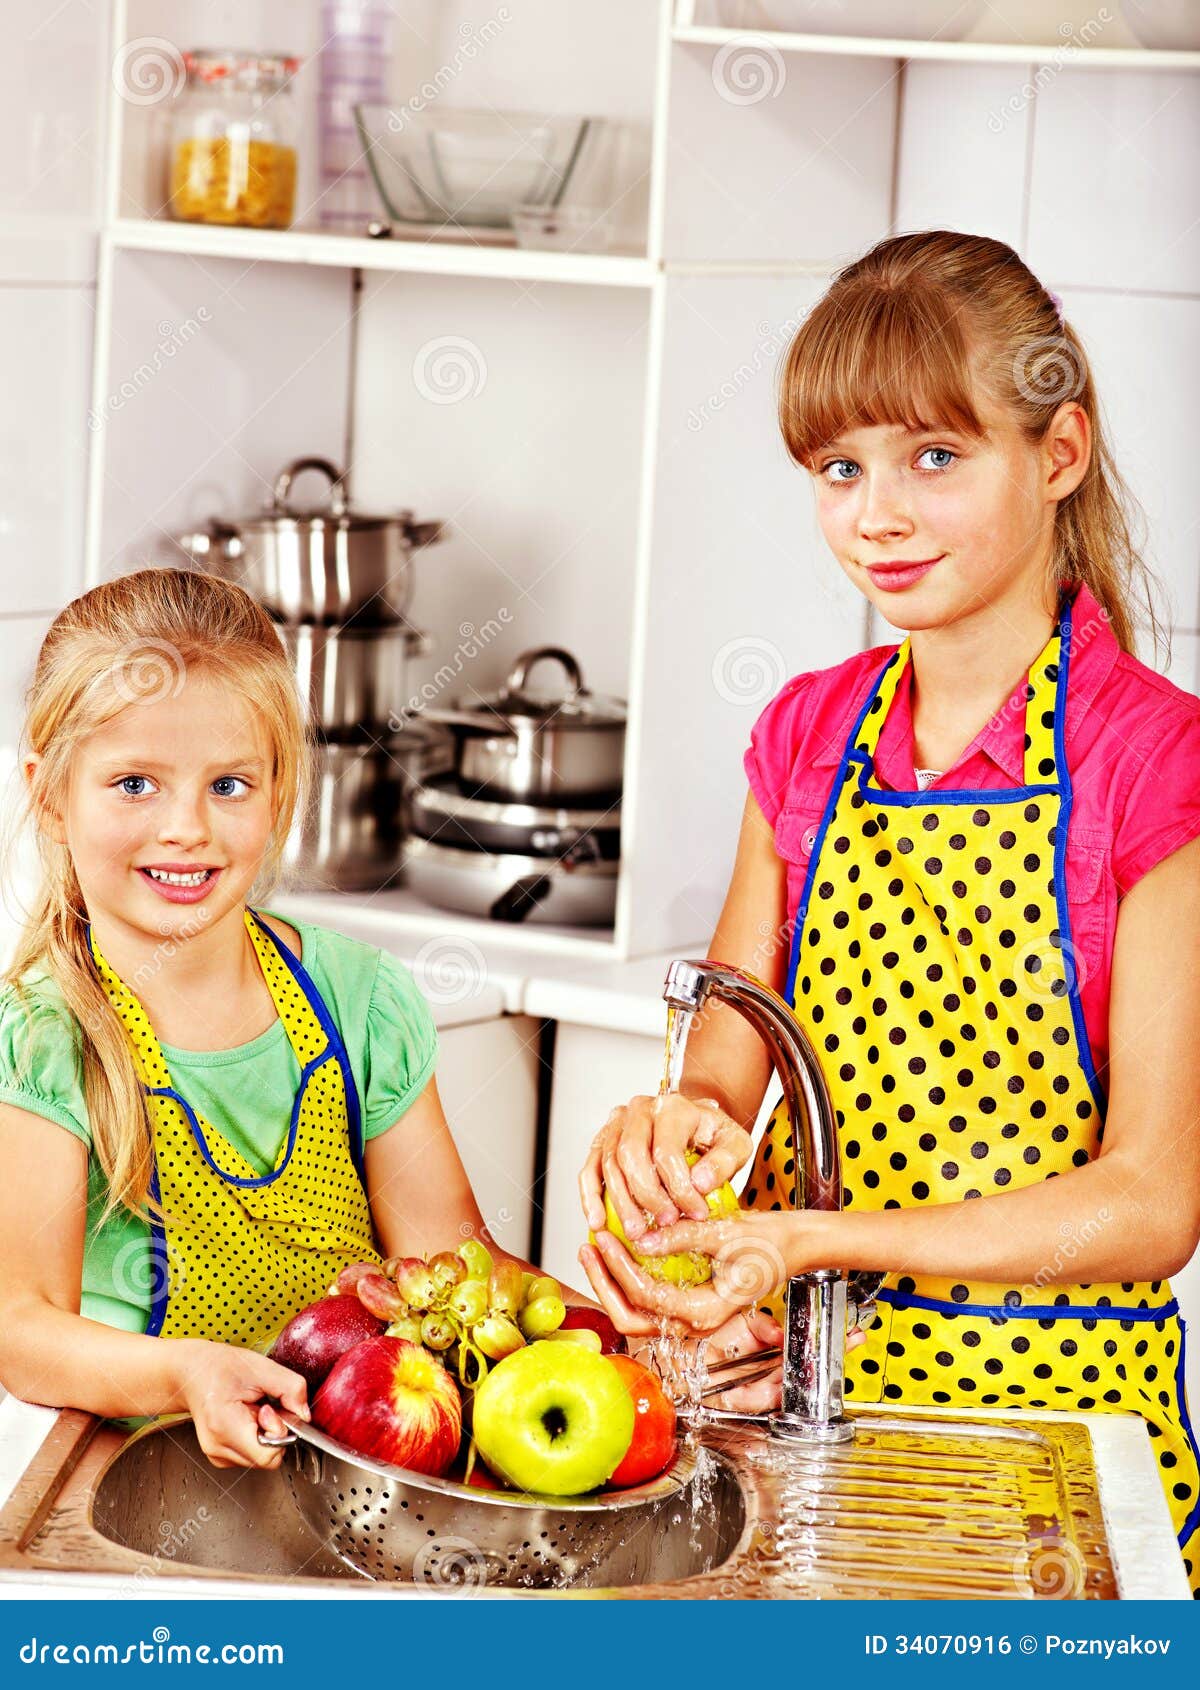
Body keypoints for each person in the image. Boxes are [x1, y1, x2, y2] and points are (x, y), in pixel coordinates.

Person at [578, 230, 1200, 1595]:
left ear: (1059, 452)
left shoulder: (1154, 762)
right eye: (840, 469)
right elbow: (729, 1075)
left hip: (1057, 1460)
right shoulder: (806, 736)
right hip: (811, 1431)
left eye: (935, 457)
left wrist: (816, 1242)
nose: (879, 516)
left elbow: (1153, 1201)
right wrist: (669, 1146)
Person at [0, 568, 569, 1472]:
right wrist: (188, 1374)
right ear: (51, 795)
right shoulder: (47, 1035)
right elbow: (23, 1330)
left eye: (229, 785)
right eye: (135, 783)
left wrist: (614, 1324)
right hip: (148, 1469)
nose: (185, 828)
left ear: (282, 794)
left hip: (360, 1465)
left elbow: (453, 1264)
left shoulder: (358, 999)